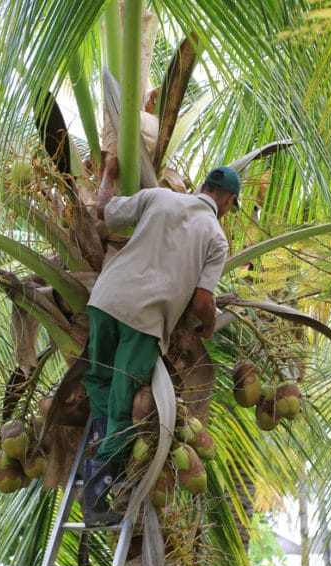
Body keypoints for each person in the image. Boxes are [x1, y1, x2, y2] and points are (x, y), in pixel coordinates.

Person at [82, 155, 239, 525]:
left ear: (204, 188)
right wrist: (209, 325)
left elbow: (103, 210)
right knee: (125, 400)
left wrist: (108, 172)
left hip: (103, 300)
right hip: (145, 319)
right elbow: (203, 299)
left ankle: (96, 457)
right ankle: (98, 489)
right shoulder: (216, 237)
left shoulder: (160, 197)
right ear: (228, 201)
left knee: (99, 379)